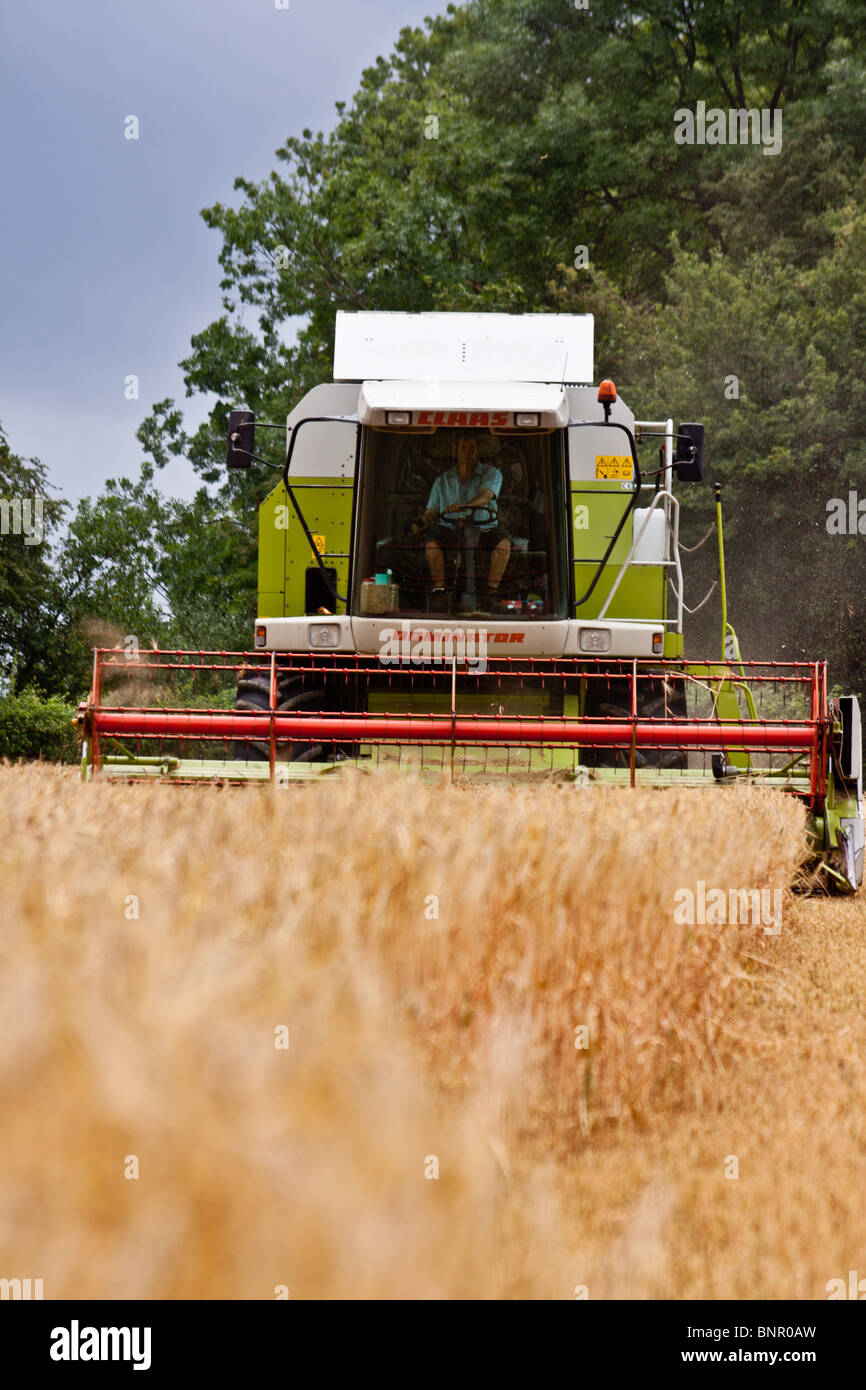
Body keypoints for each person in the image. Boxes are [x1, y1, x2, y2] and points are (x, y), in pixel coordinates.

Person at [413, 431, 511, 609]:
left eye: (472, 448)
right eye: (463, 448)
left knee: (503, 543)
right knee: (431, 545)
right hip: (450, 530)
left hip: (483, 529)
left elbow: (486, 495)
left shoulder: (492, 474)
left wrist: (464, 506)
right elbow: (431, 513)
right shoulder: (442, 481)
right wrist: (420, 523)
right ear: (455, 450)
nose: (467, 453)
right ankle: (440, 593)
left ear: (478, 450)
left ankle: (491, 594)